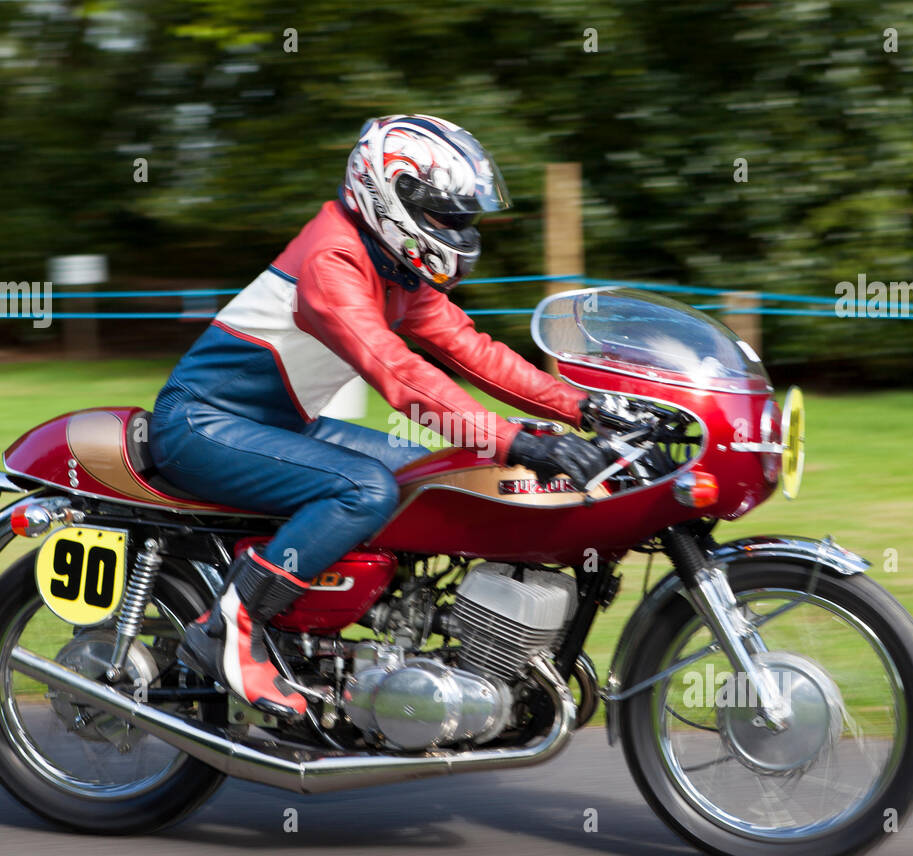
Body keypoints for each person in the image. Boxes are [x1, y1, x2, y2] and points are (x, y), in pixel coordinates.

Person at [150, 114, 608, 718]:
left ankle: (398, 636)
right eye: (446, 218)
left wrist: (584, 406)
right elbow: (399, 376)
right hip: (202, 425)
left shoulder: (393, 267)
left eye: (463, 219)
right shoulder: (332, 260)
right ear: (391, 198)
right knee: (363, 490)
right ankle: (229, 625)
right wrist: (515, 442)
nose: (459, 232)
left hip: (280, 425)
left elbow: (474, 353)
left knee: (442, 473)